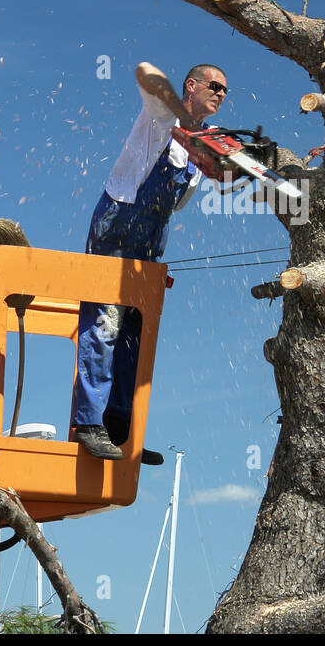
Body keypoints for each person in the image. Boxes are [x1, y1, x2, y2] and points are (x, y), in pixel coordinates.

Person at [70, 61, 228, 462]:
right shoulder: (161, 113)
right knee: (105, 321)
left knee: (133, 332)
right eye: (214, 85)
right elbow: (145, 70)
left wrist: (223, 167)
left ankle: (120, 431)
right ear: (191, 86)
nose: (221, 94)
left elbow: (221, 178)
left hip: (153, 240)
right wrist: (183, 118)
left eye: (226, 91)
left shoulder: (208, 139)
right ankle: (88, 423)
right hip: (116, 223)